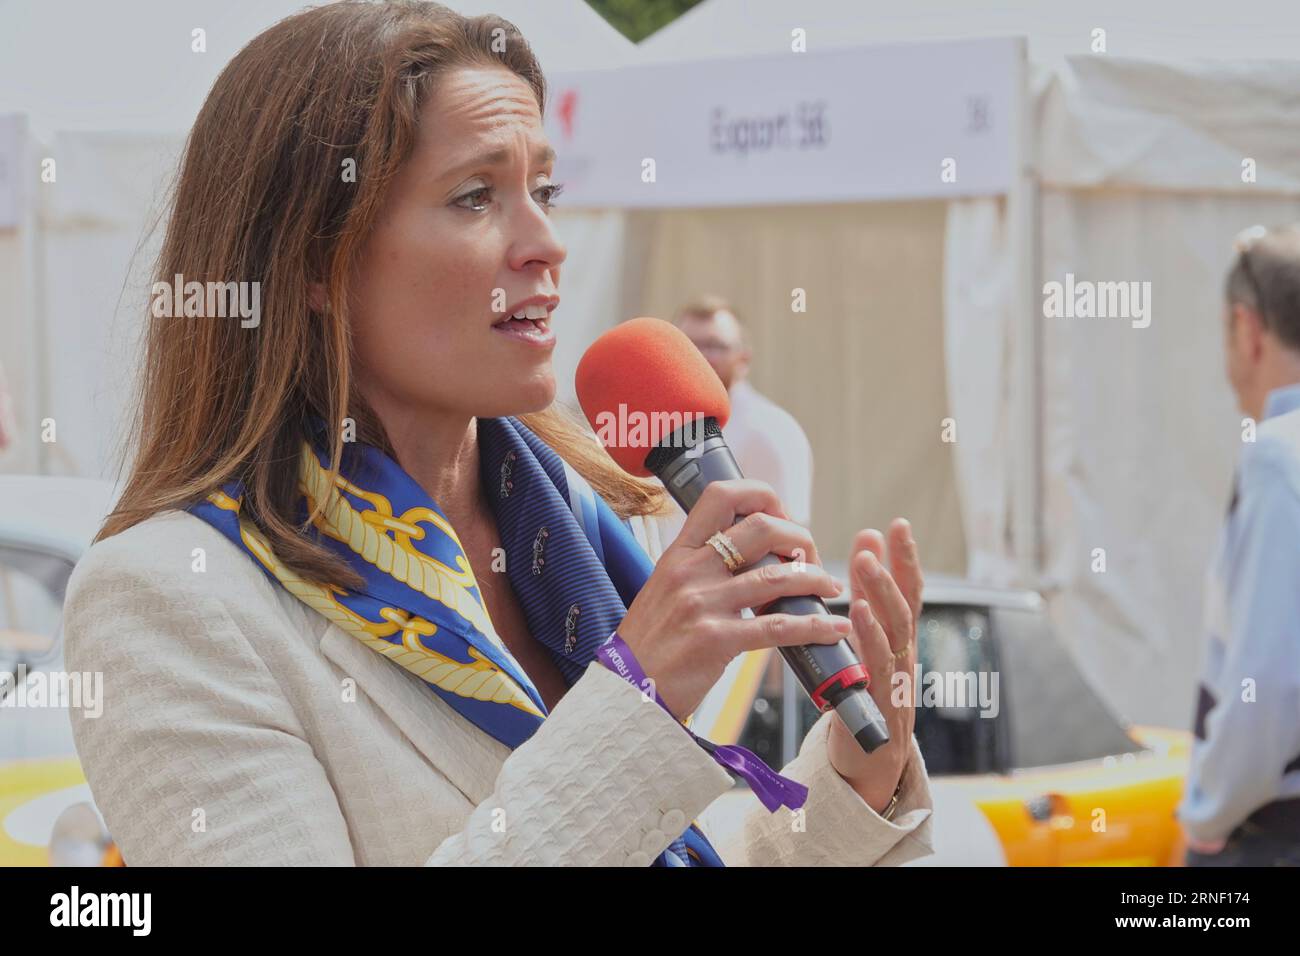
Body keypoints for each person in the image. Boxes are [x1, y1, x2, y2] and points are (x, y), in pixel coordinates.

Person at [61, 0, 933, 866]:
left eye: (544, 190)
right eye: (476, 196)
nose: (546, 243)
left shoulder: (574, 526)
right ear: (315, 264)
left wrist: (852, 790)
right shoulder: (167, 598)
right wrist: (637, 704)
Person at [1178, 224, 1300, 866]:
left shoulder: (1279, 458)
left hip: (1272, 835)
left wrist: (1205, 816)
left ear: (1247, 329)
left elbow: (1270, 686)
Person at [673, 296, 815, 529]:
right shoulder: (658, 425)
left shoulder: (774, 430)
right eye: (688, 345)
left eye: (714, 346)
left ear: (743, 359)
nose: (700, 356)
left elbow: (788, 532)